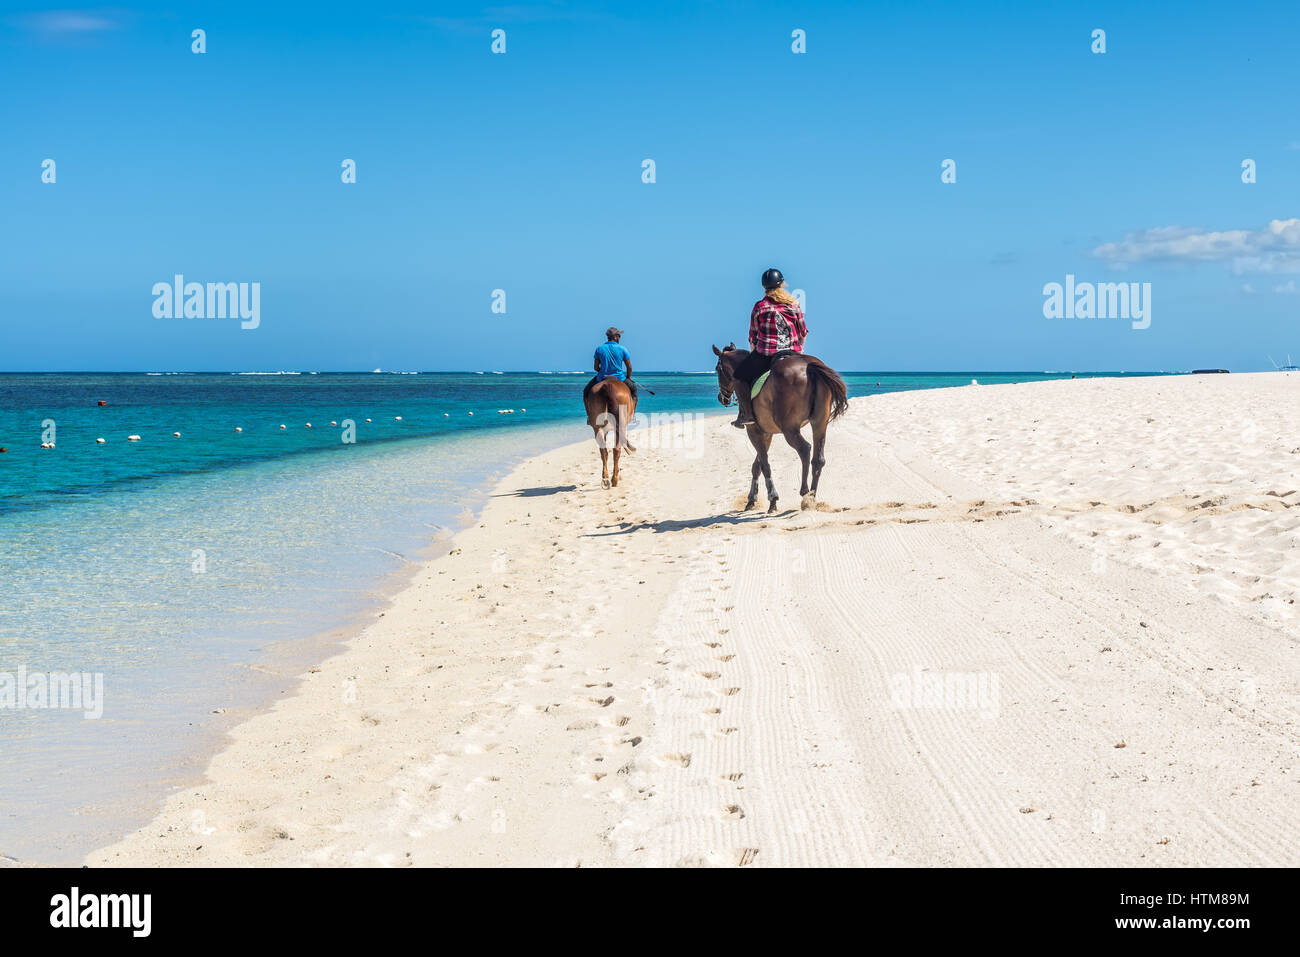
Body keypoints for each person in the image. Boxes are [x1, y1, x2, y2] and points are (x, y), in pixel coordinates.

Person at [731, 268, 808, 427]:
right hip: (792, 352)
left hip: (767, 354)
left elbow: (753, 336)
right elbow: (803, 332)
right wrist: (800, 350)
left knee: (738, 377)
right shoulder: (794, 304)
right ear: (782, 285)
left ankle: (748, 414)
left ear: (764, 287)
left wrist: (754, 356)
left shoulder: (760, 306)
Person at [584, 327, 638, 401]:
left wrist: (603, 371)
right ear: (615, 337)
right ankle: (631, 411)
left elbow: (596, 368)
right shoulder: (623, 349)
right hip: (620, 377)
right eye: (619, 336)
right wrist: (628, 377)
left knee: (586, 392)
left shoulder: (599, 349)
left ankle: (589, 412)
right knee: (634, 390)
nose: (619, 338)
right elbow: (629, 367)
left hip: (601, 377)